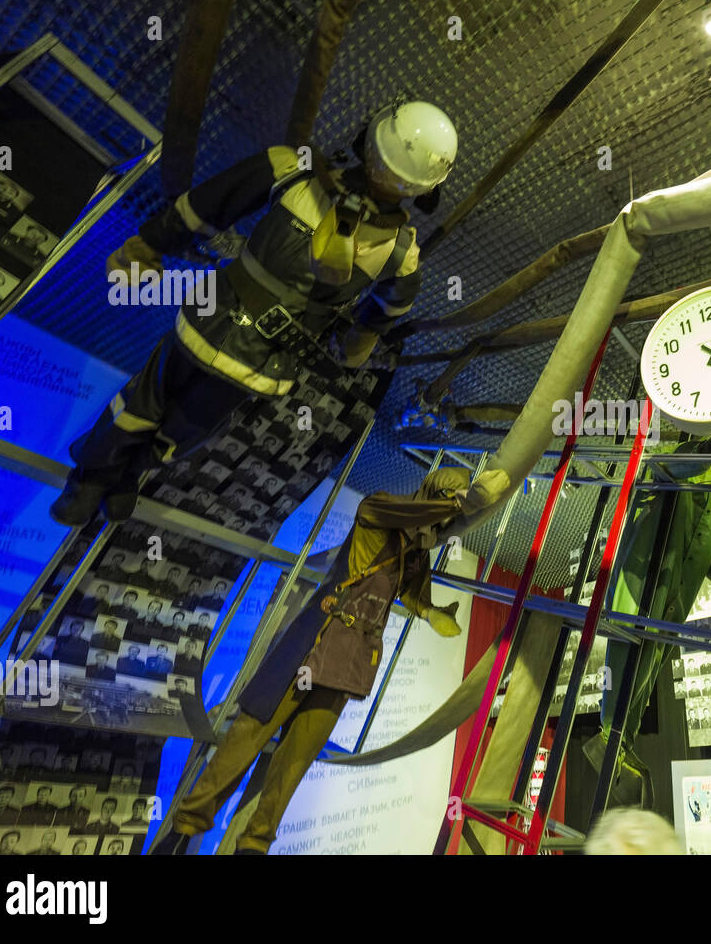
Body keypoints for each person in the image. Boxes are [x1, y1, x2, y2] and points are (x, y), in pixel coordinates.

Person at [49, 101, 457, 525]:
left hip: (267, 357)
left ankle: (129, 473)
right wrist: (149, 245)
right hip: (213, 320)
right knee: (144, 401)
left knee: (188, 426)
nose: (383, 175)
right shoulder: (292, 171)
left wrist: (357, 341)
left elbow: (383, 313)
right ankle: (92, 476)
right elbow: (210, 205)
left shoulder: (398, 253)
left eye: (393, 172)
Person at [152, 468, 503, 855]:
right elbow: (406, 515)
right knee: (248, 734)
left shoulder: (418, 553)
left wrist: (431, 612)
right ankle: (185, 827)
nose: (445, 519)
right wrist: (460, 500)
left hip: (348, 660)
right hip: (312, 643)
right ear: (431, 496)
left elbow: (414, 595)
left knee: (296, 758)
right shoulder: (381, 508)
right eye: (445, 505)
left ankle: (253, 844)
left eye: (451, 515)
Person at [588, 432, 711, 807]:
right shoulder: (675, 462)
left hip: (673, 603)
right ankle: (609, 738)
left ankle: (621, 743)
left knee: (647, 673)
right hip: (642, 587)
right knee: (627, 661)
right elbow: (661, 470)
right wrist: (703, 454)